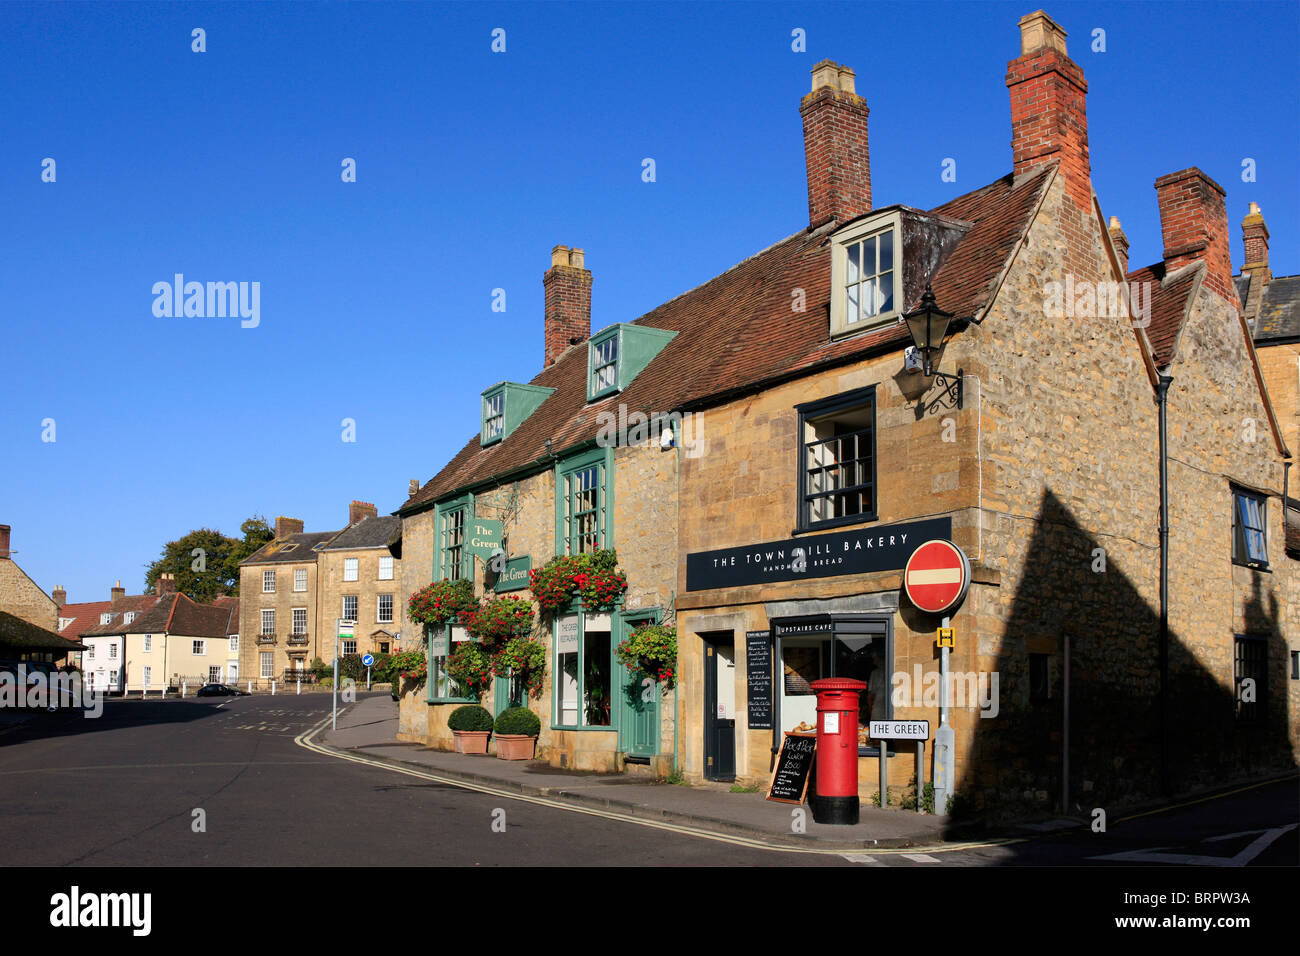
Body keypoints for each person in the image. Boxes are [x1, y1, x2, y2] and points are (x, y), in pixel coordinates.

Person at [866, 646, 888, 722]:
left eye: (874, 658)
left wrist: (870, 710)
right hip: (890, 708)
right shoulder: (891, 670)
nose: (873, 661)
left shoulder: (874, 673)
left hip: (877, 708)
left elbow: (870, 695)